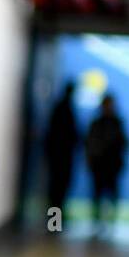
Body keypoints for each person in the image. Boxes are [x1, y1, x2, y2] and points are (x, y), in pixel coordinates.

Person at [85, 92, 129, 235]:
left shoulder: (117, 123)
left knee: (112, 194)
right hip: (99, 165)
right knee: (97, 194)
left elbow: (124, 143)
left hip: (112, 165)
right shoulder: (97, 123)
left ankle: (110, 221)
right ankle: (97, 221)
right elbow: (90, 143)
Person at [44, 81, 79, 217]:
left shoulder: (65, 107)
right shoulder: (64, 108)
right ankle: (55, 222)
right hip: (61, 156)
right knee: (58, 190)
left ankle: (56, 221)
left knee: (59, 189)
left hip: (61, 156)